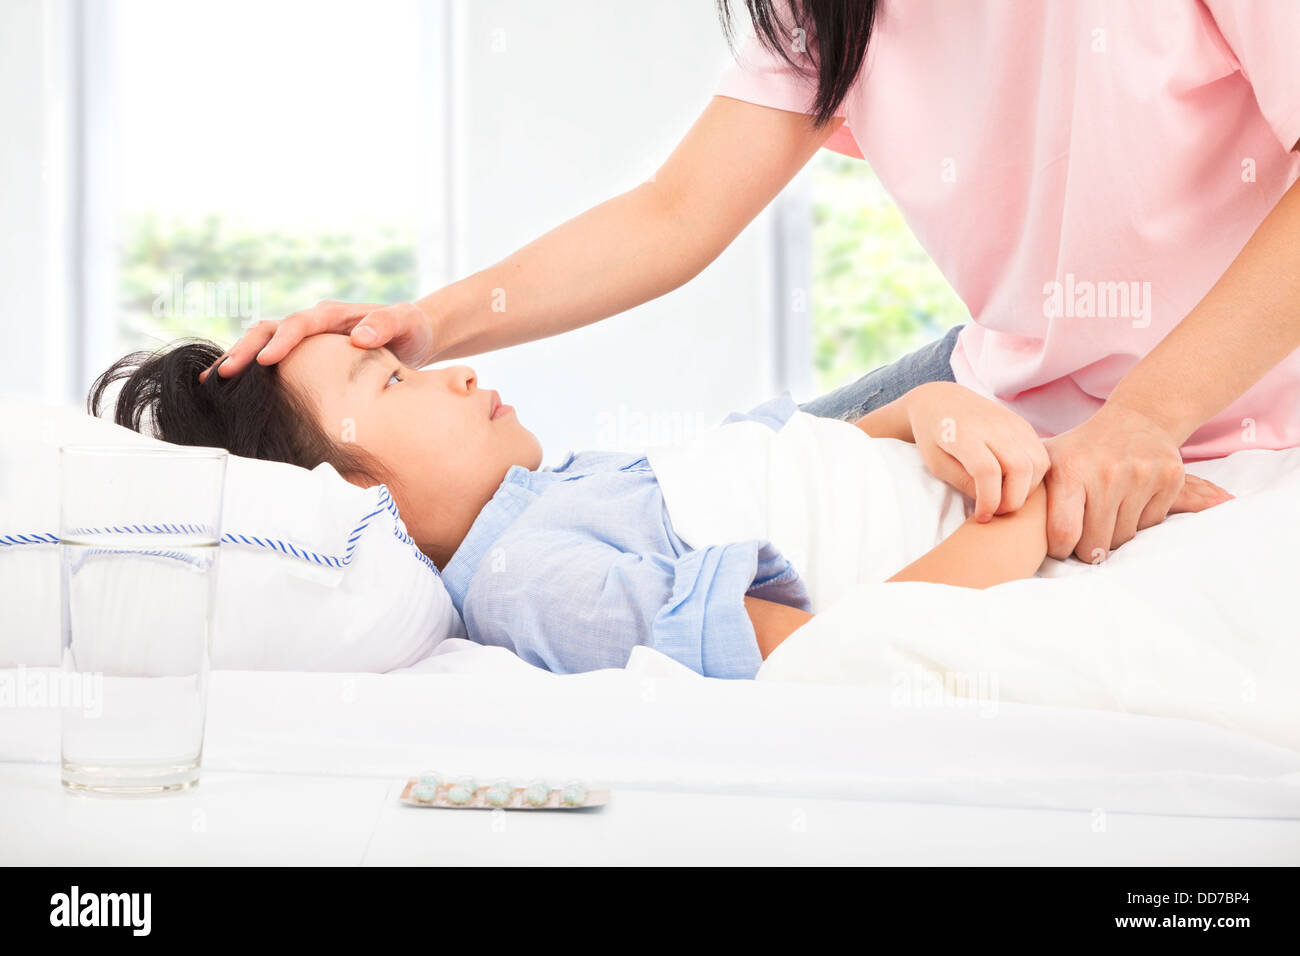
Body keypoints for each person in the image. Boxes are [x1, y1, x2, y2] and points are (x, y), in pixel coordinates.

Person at [201, 0, 1299, 565]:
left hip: (1237, 398)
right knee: (670, 507)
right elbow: (675, 215)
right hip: (1009, 383)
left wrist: (1147, 419)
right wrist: (423, 325)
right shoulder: (829, 12)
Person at [92, 334, 1231, 678]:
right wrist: (1052, 507)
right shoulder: (534, 579)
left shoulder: (556, 489)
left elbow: (817, 450)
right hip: (1034, 539)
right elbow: (834, 651)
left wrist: (928, 407)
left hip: (1017, 492)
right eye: (391, 382)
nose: (453, 370)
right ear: (348, 490)